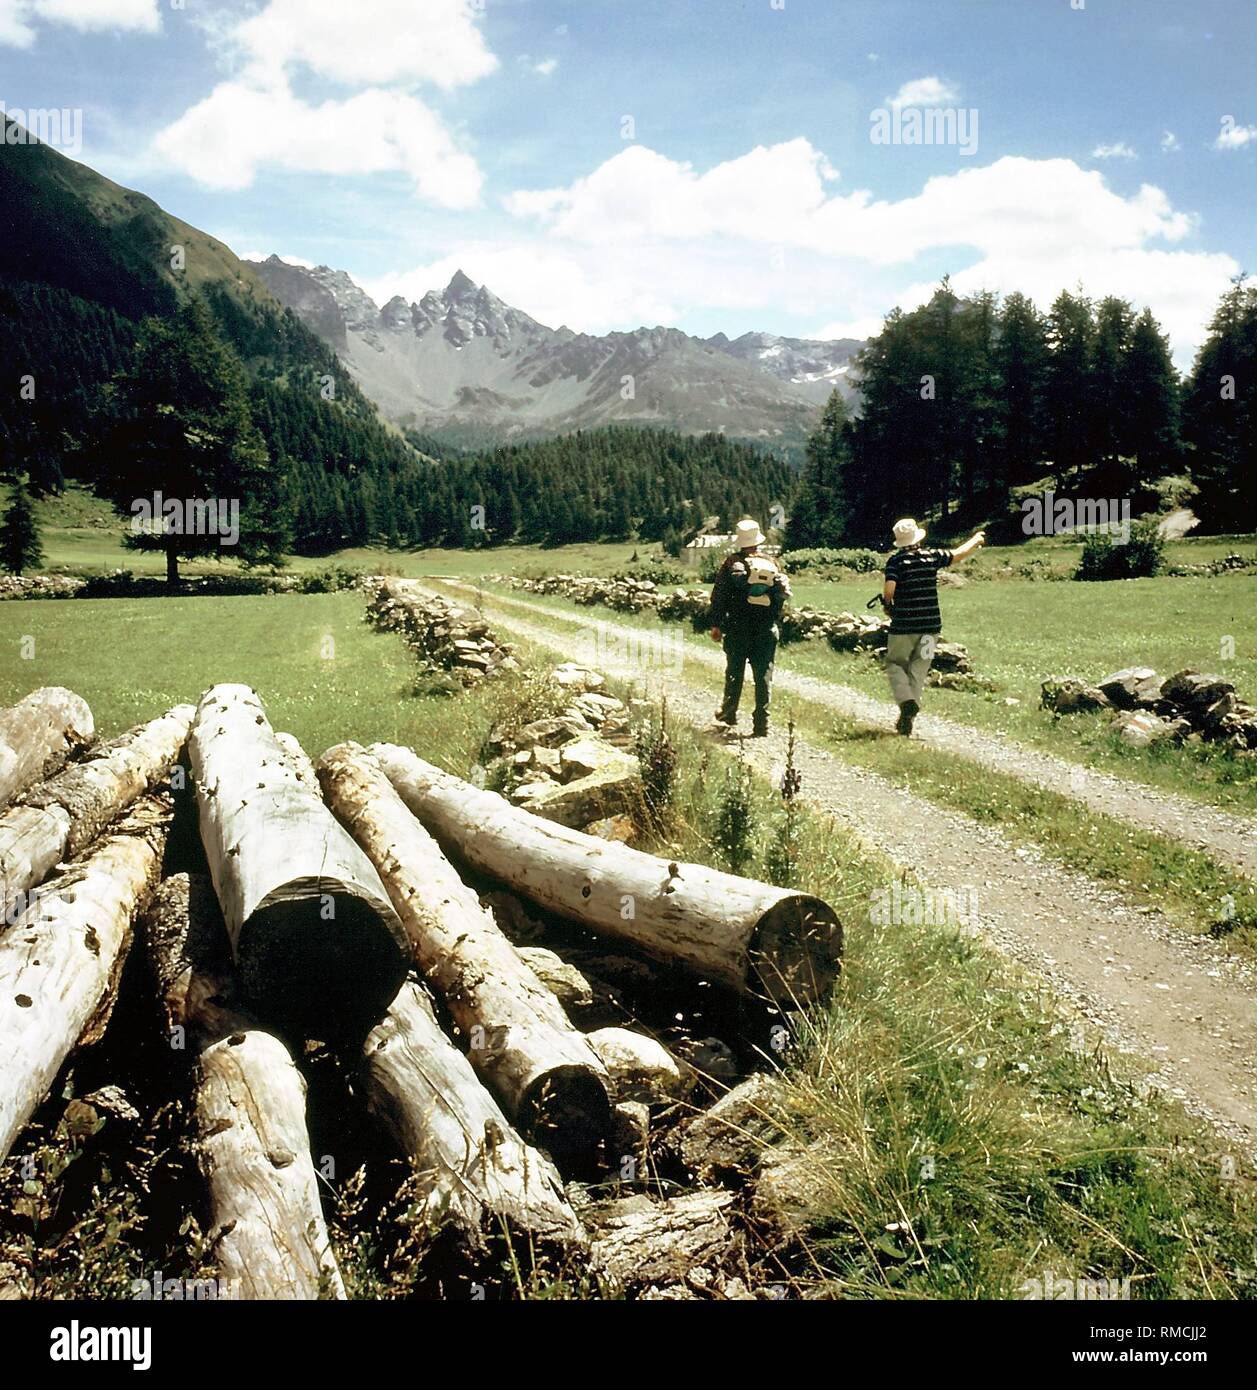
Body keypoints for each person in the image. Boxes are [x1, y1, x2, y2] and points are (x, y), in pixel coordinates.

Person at [881, 517, 985, 736]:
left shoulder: (896, 562)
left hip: (903, 627)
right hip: (931, 627)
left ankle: (906, 701)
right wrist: (975, 540)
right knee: (920, 668)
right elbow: (957, 554)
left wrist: (888, 605)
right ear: (917, 538)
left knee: (895, 664)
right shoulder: (932, 556)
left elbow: (889, 591)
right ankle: (908, 715)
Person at [708, 518, 791, 737]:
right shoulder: (772, 563)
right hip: (765, 628)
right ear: (758, 541)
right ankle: (761, 724)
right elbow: (781, 598)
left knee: (734, 671)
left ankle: (729, 714)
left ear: (740, 541)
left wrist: (716, 624)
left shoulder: (731, 563)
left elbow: (719, 596)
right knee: (763, 675)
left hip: (737, 627)